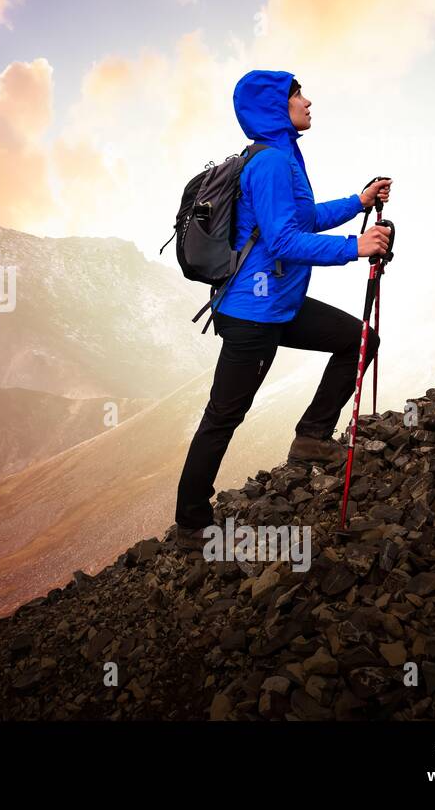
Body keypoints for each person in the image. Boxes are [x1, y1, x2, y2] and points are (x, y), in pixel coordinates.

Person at [173, 69, 392, 531]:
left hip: (278, 307)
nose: (308, 101)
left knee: (359, 340)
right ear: (277, 107)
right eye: (297, 95)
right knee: (224, 416)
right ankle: (192, 522)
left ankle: (311, 437)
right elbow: (283, 241)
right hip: (253, 317)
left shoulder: (282, 156)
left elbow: (304, 216)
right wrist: (357, 246)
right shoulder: (271, 162)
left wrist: (358, 200)